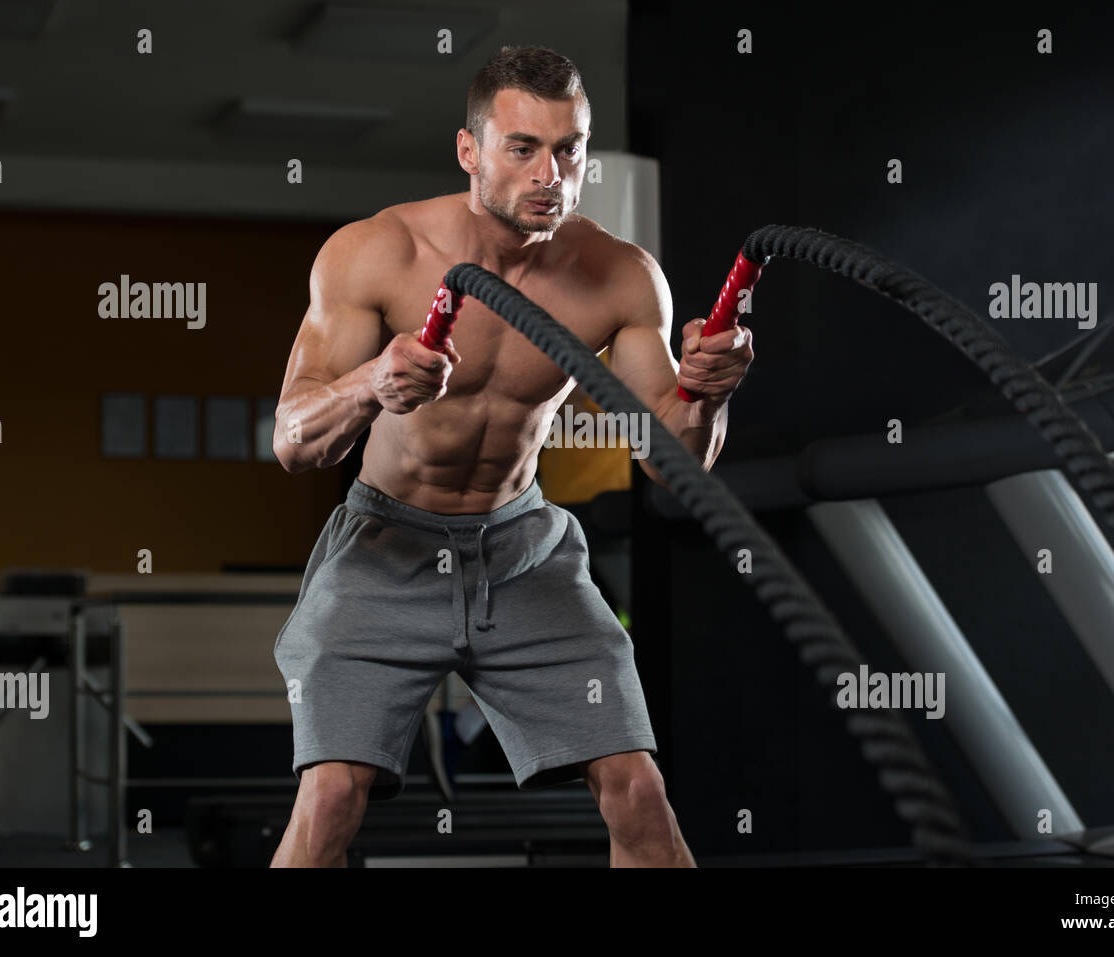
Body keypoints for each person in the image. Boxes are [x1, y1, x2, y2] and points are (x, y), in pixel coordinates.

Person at [268, 45, 753, 868]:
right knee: (331, 797)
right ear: (470, 151)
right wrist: (370, 383)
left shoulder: (620, 276)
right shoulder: (376, 252)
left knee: (638, 790)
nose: (550, 175)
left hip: (522, 551)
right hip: (384, 549)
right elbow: (292, 441)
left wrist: (710, 392)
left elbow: (671, 462)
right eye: (522, 148)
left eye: (570, 149)